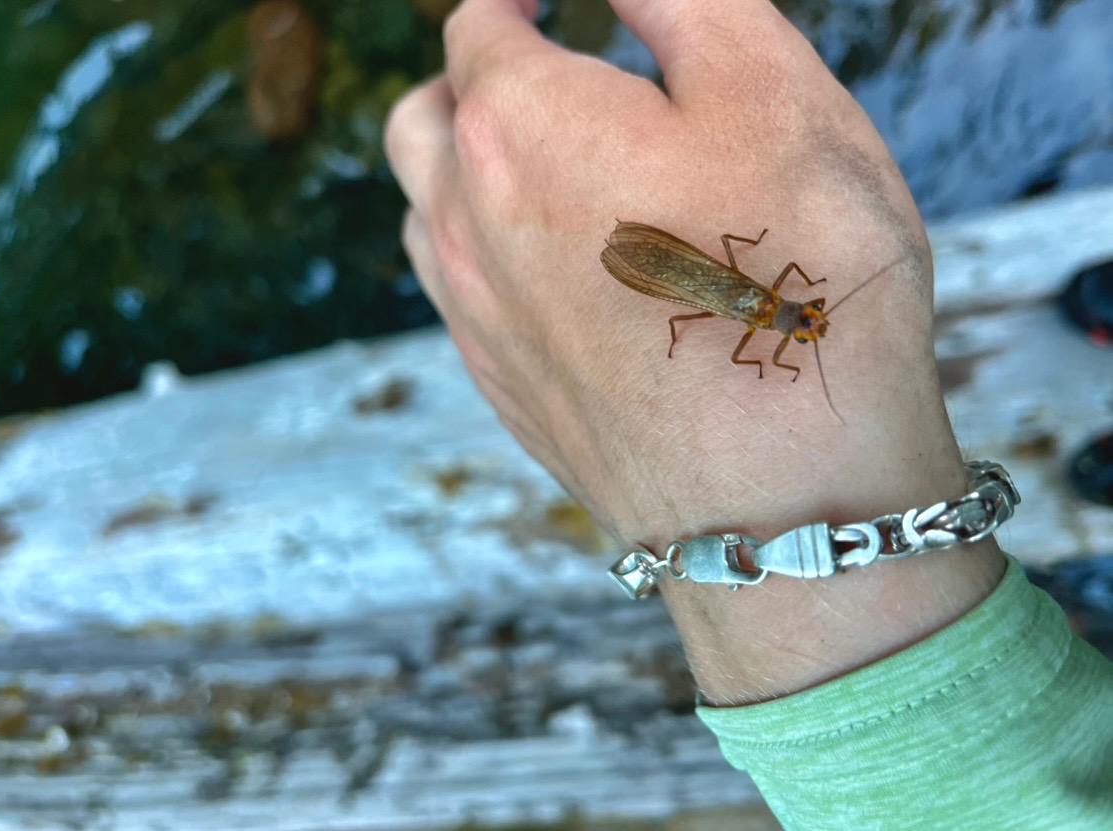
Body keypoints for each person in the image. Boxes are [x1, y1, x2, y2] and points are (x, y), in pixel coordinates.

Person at [382, 0, 1113, 828]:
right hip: (703, 281)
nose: (808, 324)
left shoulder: (770, 309)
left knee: (716, 299)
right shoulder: (768, 308)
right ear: (793, 312)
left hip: (719, 290)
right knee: (712, 292)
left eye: (804, 325)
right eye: (806, 322)